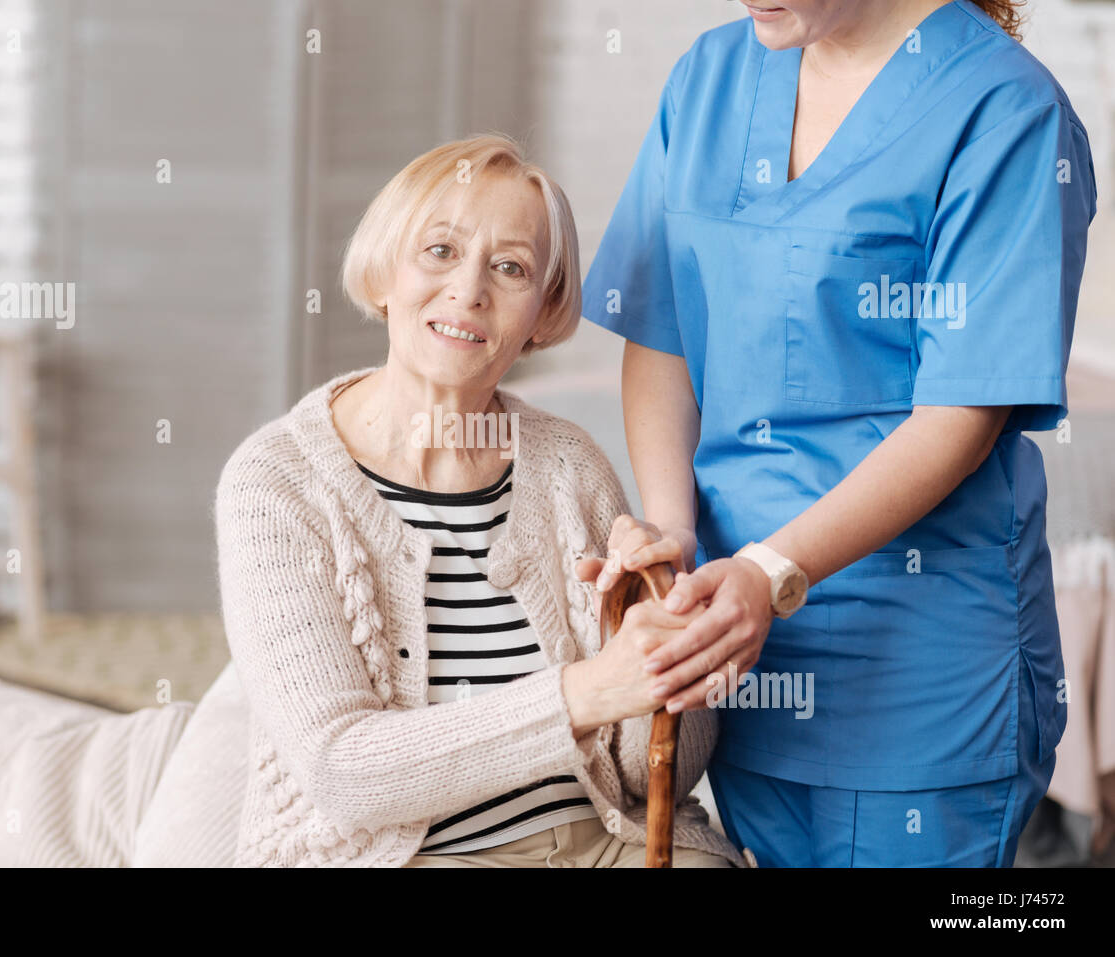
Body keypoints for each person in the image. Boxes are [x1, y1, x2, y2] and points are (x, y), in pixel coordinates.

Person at [580, 0, 1096, 866]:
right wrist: (675, 531)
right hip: (741, 668)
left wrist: (772, 570)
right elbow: (662, 329)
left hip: (916, 685)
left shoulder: (1006, 114)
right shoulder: (712, 75)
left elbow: (960, 416)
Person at [215, 133, 749, 867]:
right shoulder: (276, 483)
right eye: (439, 251)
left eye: (510, 267)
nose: (469, 290)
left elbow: (645, 776)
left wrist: (664, 639)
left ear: (540, 314)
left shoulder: (569, 467)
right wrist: (584, 691)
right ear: (385, 273)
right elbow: (342, 769)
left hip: (598, 841)